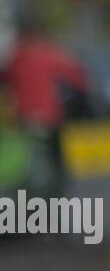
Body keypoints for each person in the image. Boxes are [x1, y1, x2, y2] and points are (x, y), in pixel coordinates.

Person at [0, 10, 88, 196]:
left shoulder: (17, 57)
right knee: (55, 163)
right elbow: (76, 74)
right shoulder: (49, 52)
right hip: (50, 117)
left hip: (26, 119)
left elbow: (4, 79)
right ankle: (53, 198)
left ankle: (35, 199)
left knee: (32, 163)